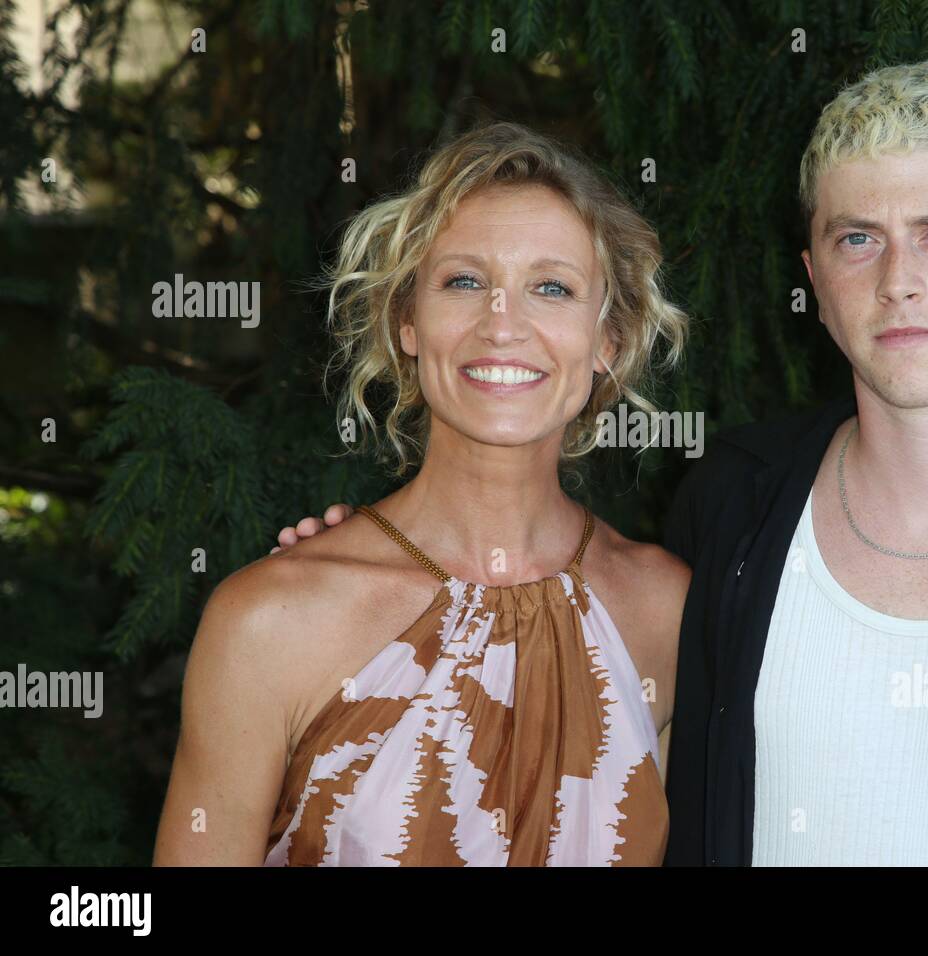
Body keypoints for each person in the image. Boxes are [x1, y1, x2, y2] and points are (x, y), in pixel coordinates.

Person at [276, 62, 928, 866]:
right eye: (858, 238)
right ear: (812, 275)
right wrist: (358, 577)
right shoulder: (730, 510)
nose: (899, 279)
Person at [153, 121, 691, 866]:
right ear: (407, 320)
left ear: (609, 339)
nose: (503, 325)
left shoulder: (667, 610)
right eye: (465, 281)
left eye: (552, 287)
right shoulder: (270, 621)